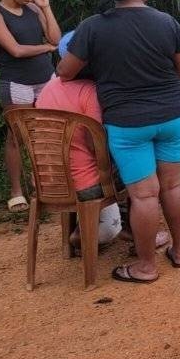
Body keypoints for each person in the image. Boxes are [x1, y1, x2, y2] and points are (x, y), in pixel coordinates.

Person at [58, 0, 180, 284]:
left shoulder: (92, 27)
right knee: (173, 185)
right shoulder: (165, 22)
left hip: (127, 123)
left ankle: (146, 267)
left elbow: (65, 71)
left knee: (144, 195)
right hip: (171, 115)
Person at [35, 32, 122, 246]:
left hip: (48, 181)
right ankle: (123, 230)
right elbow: (96, 147)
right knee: (137, 169)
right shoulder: (90, 91)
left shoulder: (48, 87)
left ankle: (79, 227)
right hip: (84, 185)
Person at [0, 0, 61, 212]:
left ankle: (46, 182)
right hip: (17, 81)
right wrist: (46, 49)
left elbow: (56, 38)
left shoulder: (33, 7)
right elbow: (16, 50)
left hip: (46, 78)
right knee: (17, 136)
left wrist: (45, 7)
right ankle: (16, 191)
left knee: (49, 131)